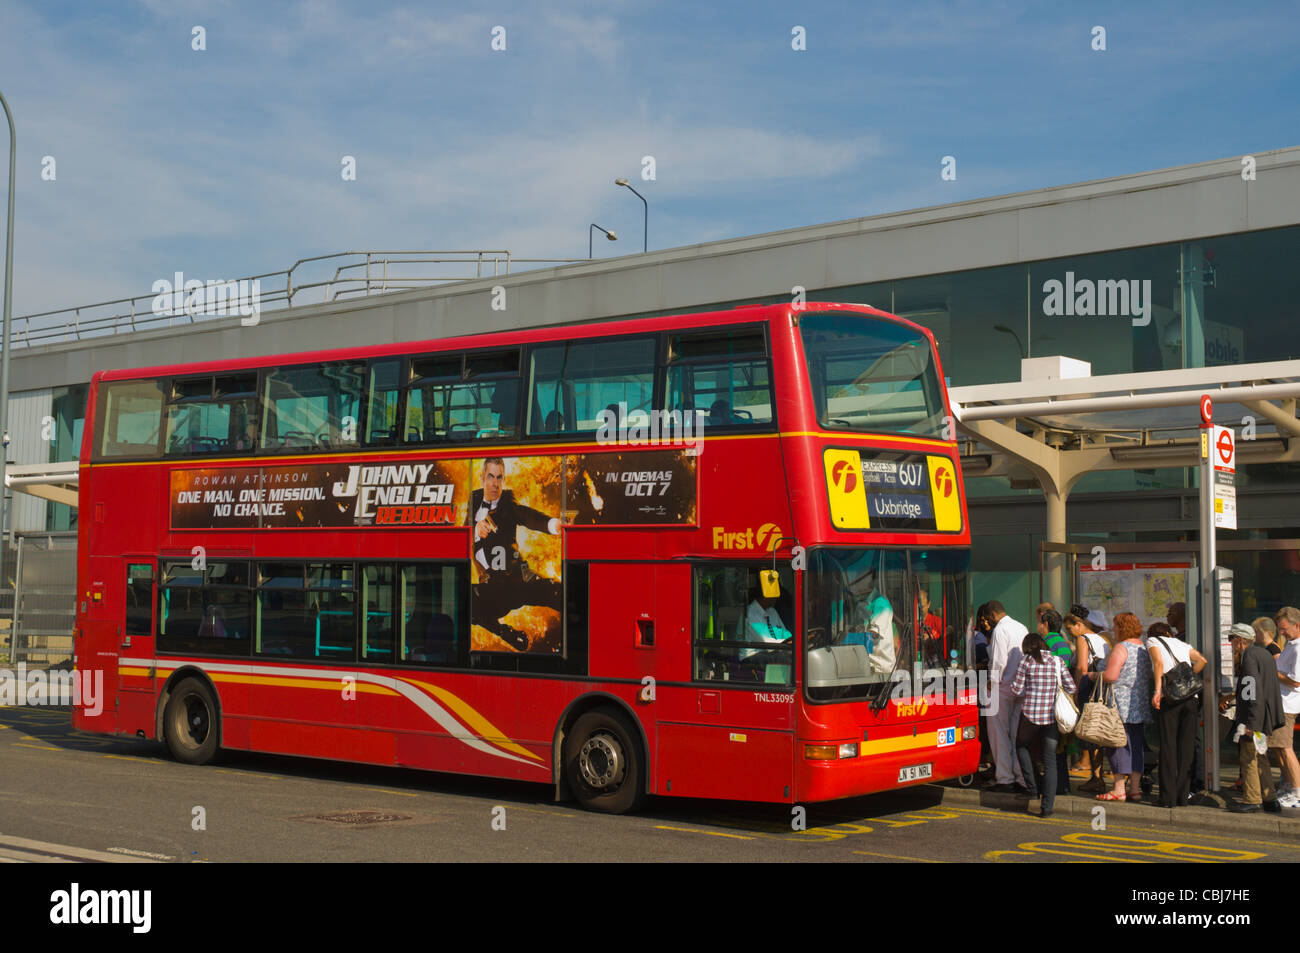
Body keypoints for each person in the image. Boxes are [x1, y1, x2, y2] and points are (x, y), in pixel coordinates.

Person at [469, 457, 562, 652]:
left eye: (499, 478)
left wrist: (552, 525)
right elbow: (460, 538)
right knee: (465, 602)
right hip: (493, 589)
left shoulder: (507, 502)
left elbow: (526, 516)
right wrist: (475, 531)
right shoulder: (474, 501)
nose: (495, 483)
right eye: (490, 477)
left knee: (558, 593)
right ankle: (507, 633)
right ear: (482, 478)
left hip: (518, 580)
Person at [1010, 631, 1076, 817]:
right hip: (1052, 718)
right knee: (1050, 761)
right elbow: (1071, 687)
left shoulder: (1027, 661)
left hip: (1030, 715)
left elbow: (1016, 689)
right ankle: (1047, 808)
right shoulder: (1057, 661)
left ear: (1028, 647)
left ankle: (1032, 787)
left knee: (1021, 745)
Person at [1223, 621, 1285, 812]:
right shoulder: (1264, 654)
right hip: (1265, 715)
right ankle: (1270, 799)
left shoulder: (1248, 657)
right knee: (1261, 757)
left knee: (1248, 758)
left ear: (1241, 640)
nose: (1230, 643)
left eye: (1231, 639)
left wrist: (1250, 723)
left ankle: (1252, 799)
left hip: (1253, 718)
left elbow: (1252, 692)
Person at [1148, 620, 1207, 807]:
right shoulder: (1183, 644)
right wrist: (1186, 678)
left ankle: (1167, 798)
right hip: (1190, 699)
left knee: (1168, 747)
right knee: (1186, 748)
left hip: (1171, 699)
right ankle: (1182, 796)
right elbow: (1202, 660)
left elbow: (1158, 663)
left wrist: (1158, 691)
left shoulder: (1153, 642)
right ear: (1168, 632)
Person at [1097, 612, 1152, 803]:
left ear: (1122, 627)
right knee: (1135, 747)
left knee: (1117, 745)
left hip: (1120, 704)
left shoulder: (1121, 648)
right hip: (1139, 705)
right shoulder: (1143, 649)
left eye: (1115, 626)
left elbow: (1111, 676)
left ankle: (1119, 789)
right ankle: (1134, 790)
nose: (1113, 629)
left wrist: (1093, 676)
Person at [985, 601, 1029, 793]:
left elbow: (998, 661)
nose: (988, 622)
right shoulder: (1022, 627)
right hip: (1020, 686)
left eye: (988, 618)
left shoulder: (999, 630)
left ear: (993, 615)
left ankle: (1004, 777)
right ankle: (1021, 777)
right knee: (1015, 734)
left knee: (998, 733)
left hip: (1001, 687)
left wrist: (990, 682)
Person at [1274, 608, 1300, 807]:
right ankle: (1289, 786)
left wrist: (1271, 671)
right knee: (1279, 748)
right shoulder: (1291, 645)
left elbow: (1295, 681)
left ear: (1297, 625)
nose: (1281, 633)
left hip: (1287, 704)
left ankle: (1297, 791)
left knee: (1286, 748)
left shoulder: (1298, 648)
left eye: (1284, 629)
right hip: (1280, 702)